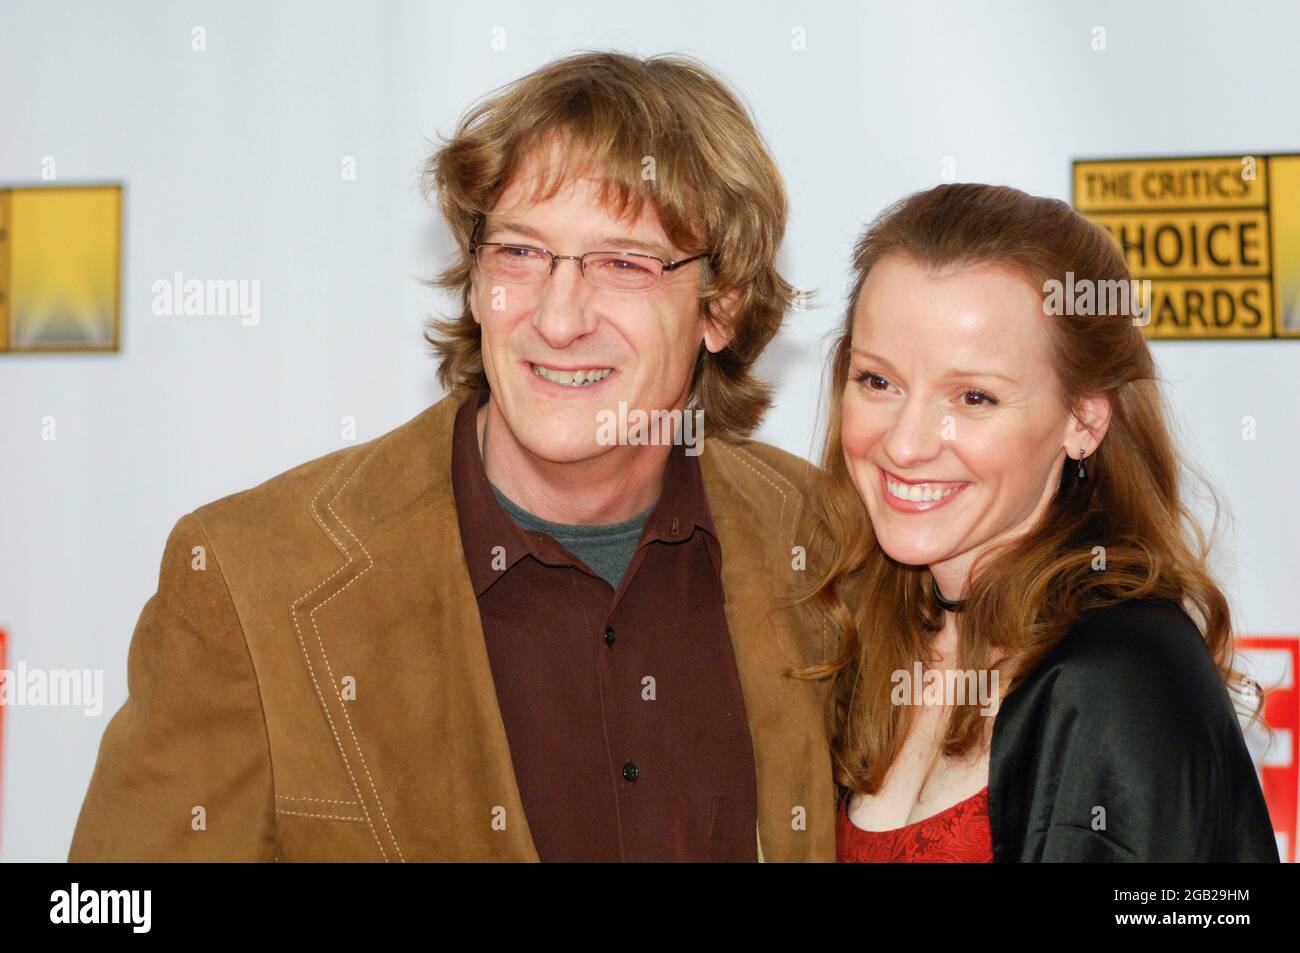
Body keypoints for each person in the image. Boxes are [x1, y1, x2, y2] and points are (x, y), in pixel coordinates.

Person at [68, 51, 837, 862]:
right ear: (474, 282)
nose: (560, 315)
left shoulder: (823, 545)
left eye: (624, 263)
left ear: (720, 306)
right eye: (520, 253)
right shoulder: (253, 581)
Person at [799, 183, 1280, 862]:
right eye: (879, 381)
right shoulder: (862, 633)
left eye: (973, 396)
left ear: (1084, 419)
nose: (905, 443)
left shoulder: (1122, 675)